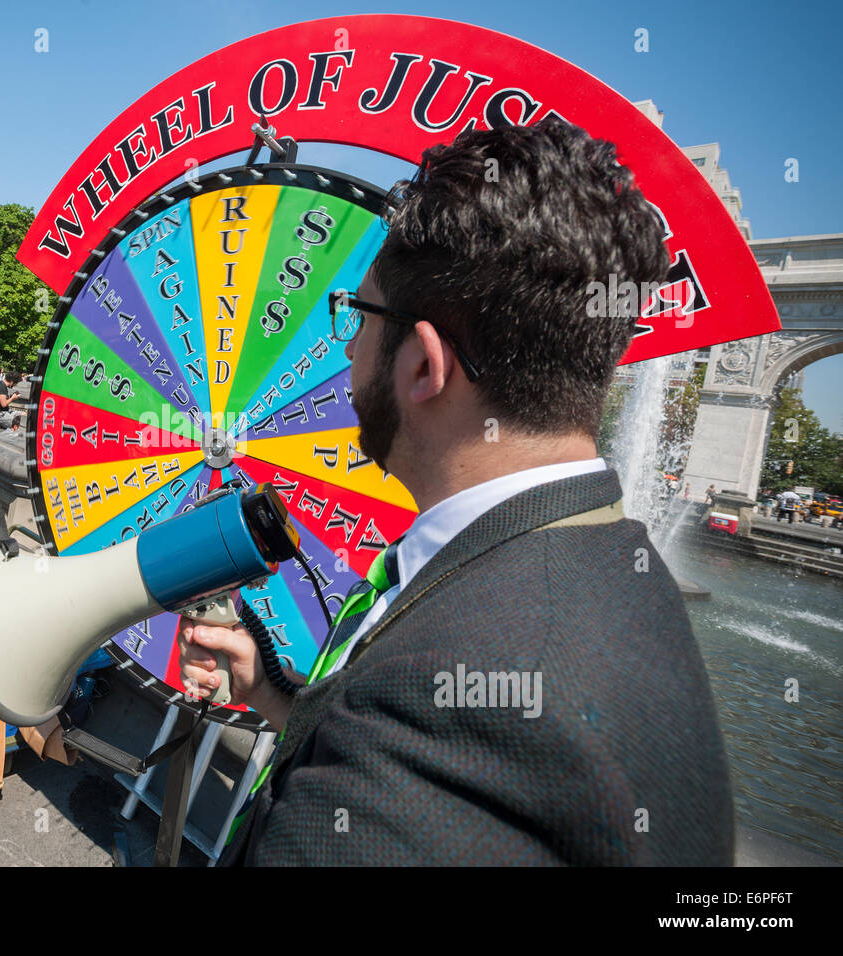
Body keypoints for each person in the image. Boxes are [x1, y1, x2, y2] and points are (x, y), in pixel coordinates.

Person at [179, 118, 733, 865]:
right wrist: (285, 699)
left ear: (423, 367)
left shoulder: (437, 732)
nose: (347, 345)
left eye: (360, 315)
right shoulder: (608, 563)